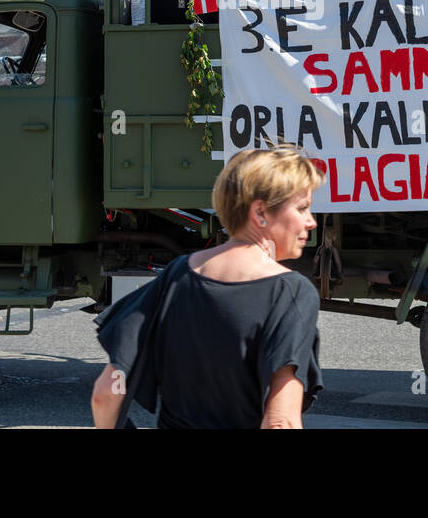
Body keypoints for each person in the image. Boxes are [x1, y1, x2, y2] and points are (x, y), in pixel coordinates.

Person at [91, 146, 324, 429]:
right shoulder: (290, 292)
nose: (311, 221)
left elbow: (107, 392)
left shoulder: (177, 275)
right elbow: (280, 421)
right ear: (260, 212)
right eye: (302, 208)